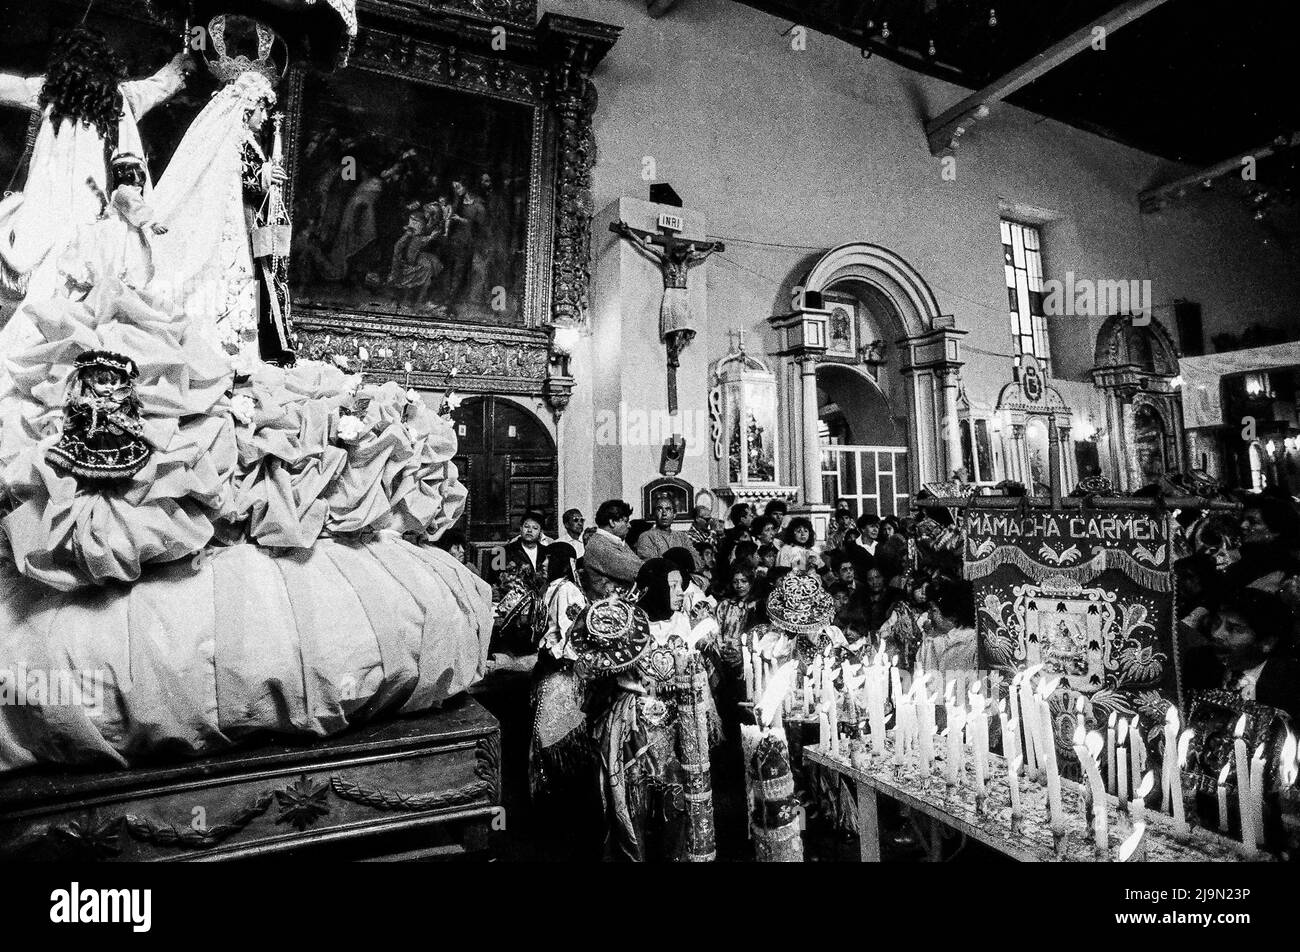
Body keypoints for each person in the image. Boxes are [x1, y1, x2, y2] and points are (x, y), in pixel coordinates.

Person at [0, 29, 191, 355]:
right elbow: (160, 84)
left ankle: (48, 352)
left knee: (51, 286)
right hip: (94, 214)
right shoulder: (119, 98)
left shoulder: (48, 92)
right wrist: (181, 62)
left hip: (49, 213)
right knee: (90, 284)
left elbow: (9, 86)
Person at [1185, 588, 1300, 721]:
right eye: (1217, 623)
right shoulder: (1199, 661)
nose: (1217, 634)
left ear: (1267, 643)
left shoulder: (1291, 684)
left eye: (1235, 629)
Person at [583, 498, 643, 597]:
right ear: (612, 522)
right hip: (610, 607)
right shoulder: (599, 545)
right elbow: (636, 571)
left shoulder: (613, 541)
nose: (629, 526)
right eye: (626, 521)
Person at [918, 575, 977, 672]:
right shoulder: (929, 644)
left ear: (952, 615)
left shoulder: (973, 642)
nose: (929, 617)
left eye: (933, 610)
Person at [634, 499, 696, 564]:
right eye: (659, 509)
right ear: (654, 514)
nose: (664, 513)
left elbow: (695, 561)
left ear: (674, 514)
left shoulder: (682, 537)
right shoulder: (647, 537)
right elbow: (651, 564)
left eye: (668, 509)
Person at [501, 509, 550, 576]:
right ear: (521, 528)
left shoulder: (546, 552)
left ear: (540, 532)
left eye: (535, 528)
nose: (529, 530)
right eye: (526, 527)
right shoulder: (504, 551)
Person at [715, 566, 755, 644]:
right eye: (735, 582)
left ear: (751, 582)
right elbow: (717, 631)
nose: (739, 585)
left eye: (744, 581)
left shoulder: (756, 606)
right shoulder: (725, 605)